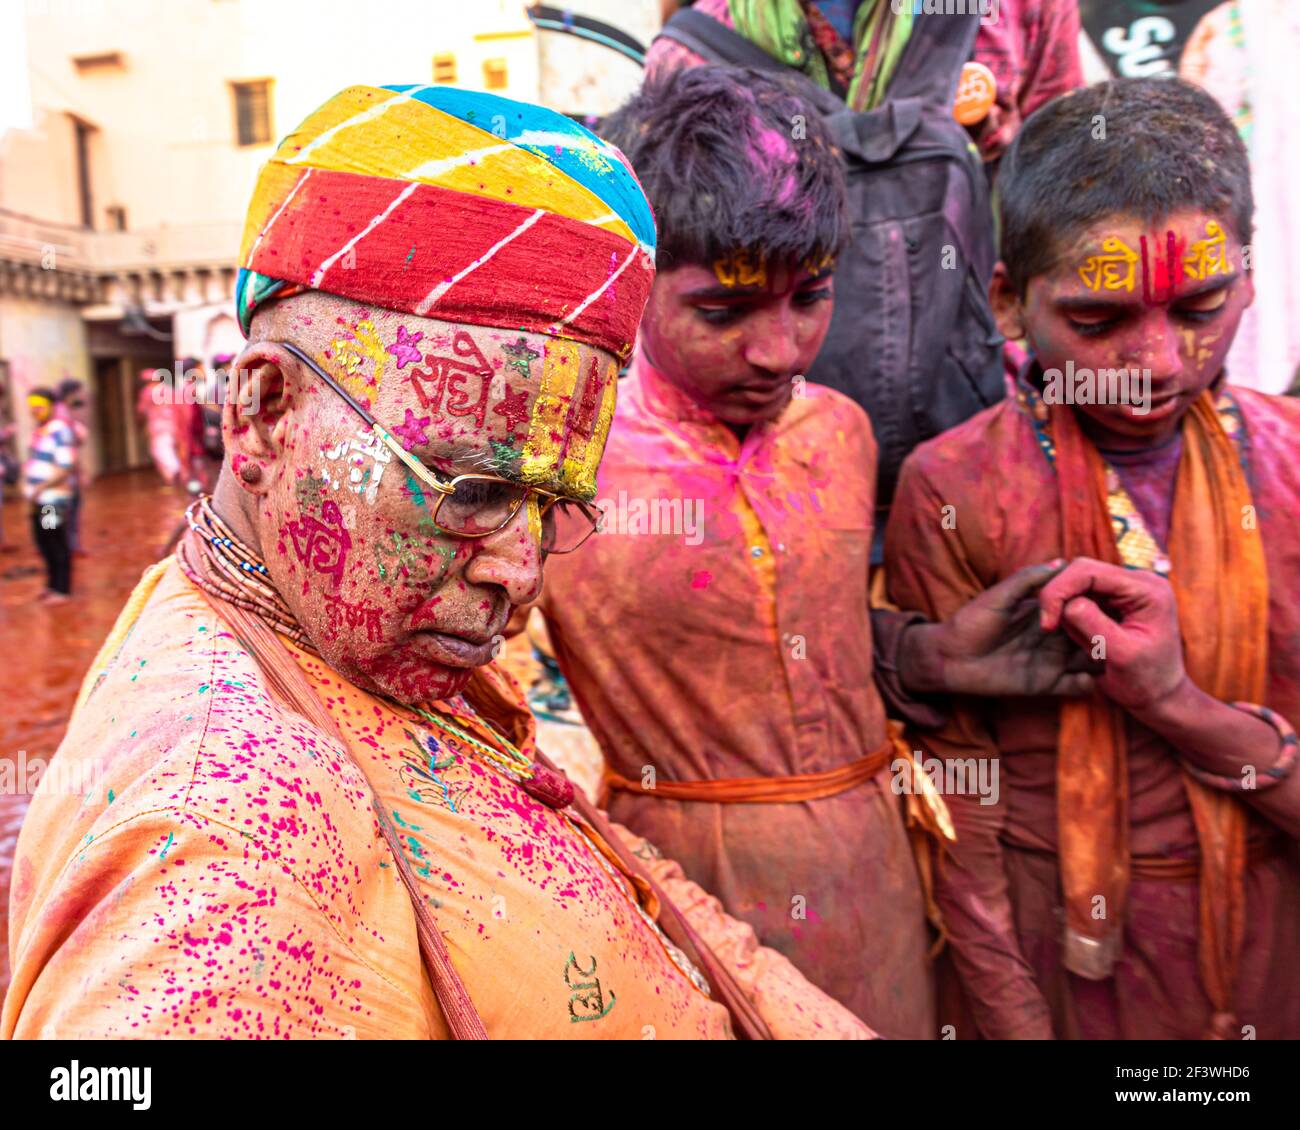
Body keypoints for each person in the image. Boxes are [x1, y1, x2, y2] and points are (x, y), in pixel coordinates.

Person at [3, 84, 875, 1040]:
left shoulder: (337, 640)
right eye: (471, 490)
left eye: (553, 507)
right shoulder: (231, 832)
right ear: (261, 411)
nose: (522, 573)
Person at [537, 65, 1096, 1036]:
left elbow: (807, 631)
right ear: (631, 279)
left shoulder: (841, 433)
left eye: (811, 298)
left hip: (874, 868)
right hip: (680, 890)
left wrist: (922, 654)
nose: (781, 350)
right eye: (723, 311)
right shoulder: (565, 460)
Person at [885, 77, 1300, 1040]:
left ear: (1248, 280)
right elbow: (959, 811)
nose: (1158, 362)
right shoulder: (953, 488)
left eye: (1200, 306)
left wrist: (1174, 704)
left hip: (1274, 949)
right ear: (1008, 305)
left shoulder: (1290, 466)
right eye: (1100, 321)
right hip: (1057, 961)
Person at [20, 388, 76, 602]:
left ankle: (62, 589)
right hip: (38, 499)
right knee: (42, 541)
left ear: (51, 406)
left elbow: (65, 467)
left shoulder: (59, 431)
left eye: (39, 405)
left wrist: (40, 488)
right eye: (32, 406)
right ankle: (52, 585)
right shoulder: (39, 431)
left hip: (51, 500)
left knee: (54, 541)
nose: (35, 410)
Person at [53, 377, 90, 557]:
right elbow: (70, 448)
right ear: (71, 394)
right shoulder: (63, 417)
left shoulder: (58, 412)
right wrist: (80, 471)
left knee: (60, 507)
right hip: (63, 471)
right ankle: (67, 545)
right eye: (78, 392)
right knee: (68, 508)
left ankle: (63, 543)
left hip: (58, 470)